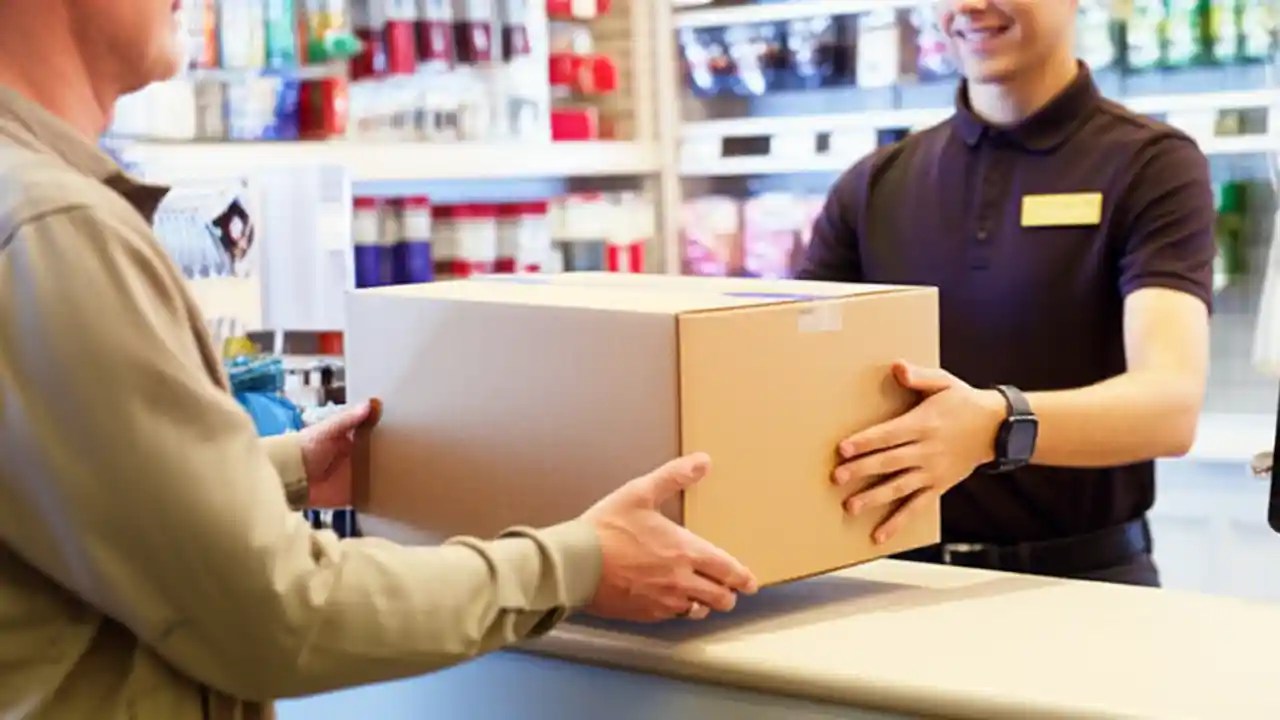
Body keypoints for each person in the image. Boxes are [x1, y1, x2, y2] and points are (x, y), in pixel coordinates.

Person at [0, 2, 757, 718]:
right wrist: (579, 564)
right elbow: (276, 614)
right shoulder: (57, 227)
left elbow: (51, 491)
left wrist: (283, 468)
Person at [799, 0, 1213, 587]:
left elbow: (1168, 409)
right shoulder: (875, 184)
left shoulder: (1152, 165)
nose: (968, 7)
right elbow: (791, 377)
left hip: (1084, 588)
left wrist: (994, 423)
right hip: (887, 581)